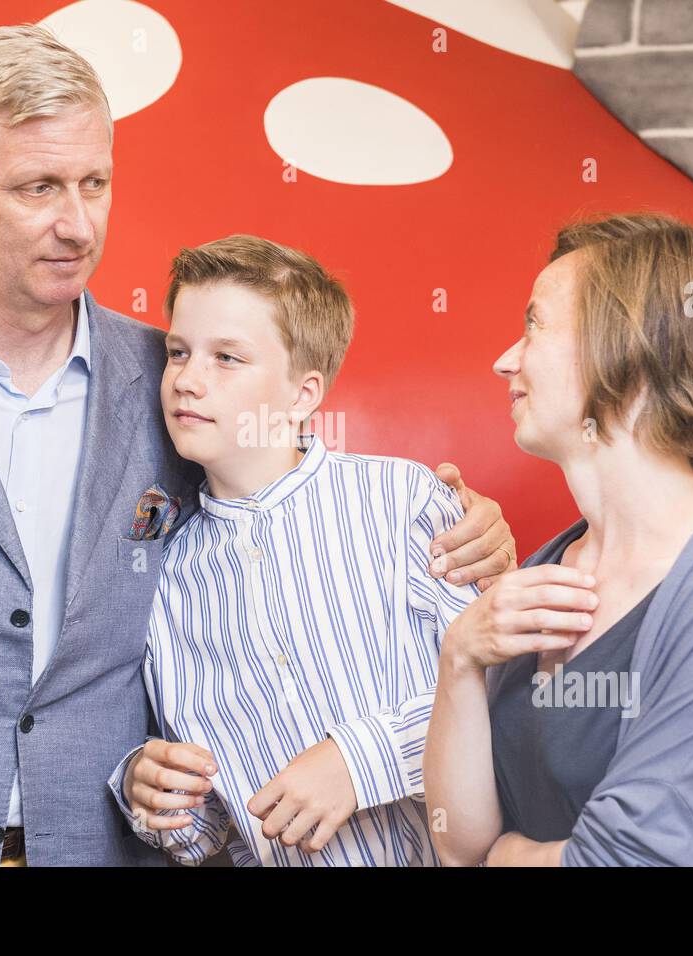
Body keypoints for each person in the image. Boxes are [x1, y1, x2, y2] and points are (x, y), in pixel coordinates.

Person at [0, 25, 513, 866]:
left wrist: (472, 530)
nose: (77, 225)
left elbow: (291, 492)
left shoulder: (175, 380)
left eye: (96, 182)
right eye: (38, 187)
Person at [423, 213, 693, 866]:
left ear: (629, 349)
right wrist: (461, 659)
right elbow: (458, 843)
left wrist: (507, 857)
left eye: (534, 324)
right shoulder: (554, 563)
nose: (507, 359)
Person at [107, 235, 488, 865]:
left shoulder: (403, 502)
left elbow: (505, 695)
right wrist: (153, 798)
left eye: (228, 358)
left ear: (303, 394)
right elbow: (209, 833)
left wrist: (361, 759)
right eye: (178, 353)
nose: (187, 381)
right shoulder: (165, 577)